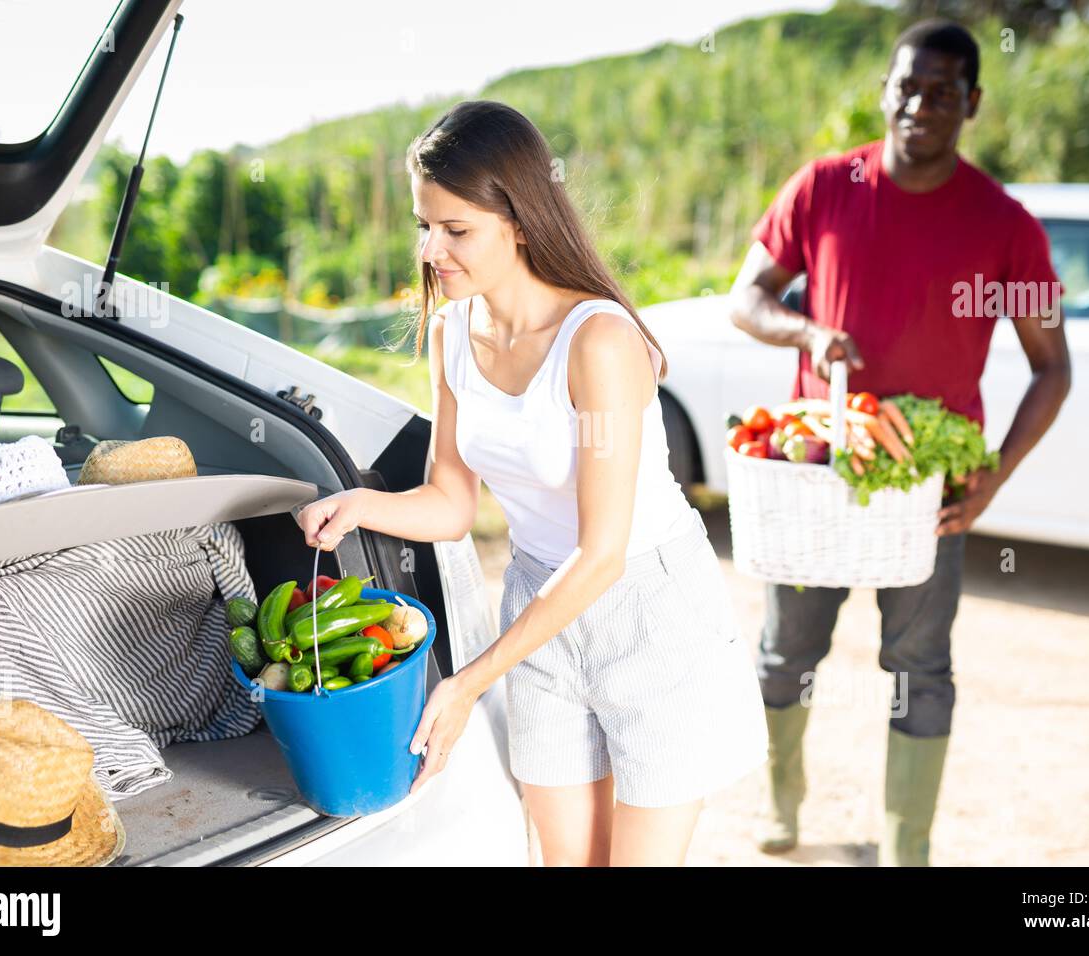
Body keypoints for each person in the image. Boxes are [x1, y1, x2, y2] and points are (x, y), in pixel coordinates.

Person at [297, 100, 768, 866]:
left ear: (518, 219)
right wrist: (359, 505)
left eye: (455, 230)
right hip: (540, 611)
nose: (430, 250)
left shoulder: (599, 343)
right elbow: (452, 504)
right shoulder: (452, 333)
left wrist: (470, 682)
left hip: (649, 614)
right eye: (424, 225)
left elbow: (603, 553)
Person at [728, 19, 1071, 866]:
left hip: (932, 494)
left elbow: (1051, 368)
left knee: (921, 667)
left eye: (943, 91)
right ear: (885, 89)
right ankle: (783, 812)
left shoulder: (1006, 223)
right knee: (783, 655)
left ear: (973, 103)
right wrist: (808, 336)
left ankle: (903, 843)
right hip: (820, 473)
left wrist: (989, 481)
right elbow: (747, 299)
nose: (920, 104)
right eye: (907, 86)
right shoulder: (823, 187)